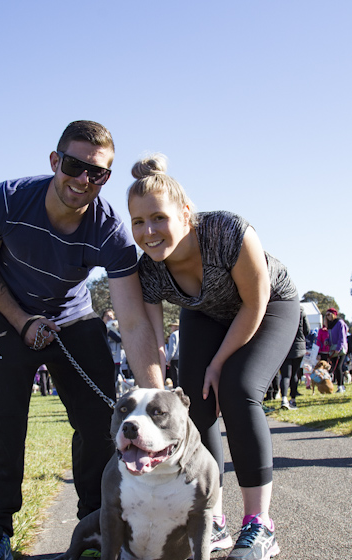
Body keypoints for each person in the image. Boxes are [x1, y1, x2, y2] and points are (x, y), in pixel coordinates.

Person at [0, 120, 161, 560]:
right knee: (4, 420)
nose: (84, 180)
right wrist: (21, 319)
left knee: (99, 422)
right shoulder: (6, 200)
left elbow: (131, 321)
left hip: (73, 317)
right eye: (75, 166)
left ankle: (94, 525)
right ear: (56, 161)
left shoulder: (109, 228)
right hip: (9, 312)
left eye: (99, 173)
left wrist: (156, 394)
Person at [128, 153, 300, 560]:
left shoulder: (227, 230)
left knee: (238, 390)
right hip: (205, 312)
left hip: (268, 305)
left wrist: (218, 364)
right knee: (196, 404)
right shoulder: (149, 270)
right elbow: (153, 337)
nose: (149, 231)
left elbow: (254, 304)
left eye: (158, 218)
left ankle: (260, 525)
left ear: (186, 213)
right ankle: (213, 517)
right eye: (138, 222)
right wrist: (158, 393)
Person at [325, 308, 348, 393]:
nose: (328, 317)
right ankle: (340, 385)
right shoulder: (330, 325)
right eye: (326, 315)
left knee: (338, 367)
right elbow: (330, 335)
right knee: (335, 368)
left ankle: (341, 386)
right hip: (332, 349)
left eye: (329, 314)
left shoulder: (340, 323)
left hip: (340, 349)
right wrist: (327, 340)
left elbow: (342, 337)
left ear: (334, 314)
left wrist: (338, 348)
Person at [165, 321, 180, 387]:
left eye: (172, 326)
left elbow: (172, 348)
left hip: (175, 358)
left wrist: (168, 359)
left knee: (175, 377)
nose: (171, 327)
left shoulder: (174, 335)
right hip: (182, 358)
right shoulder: (184, 333)